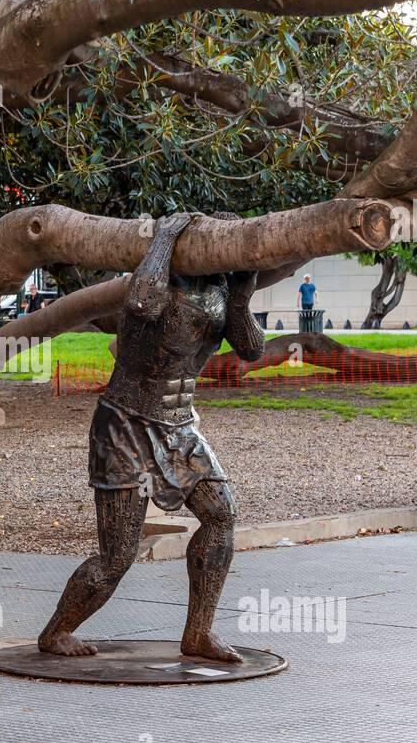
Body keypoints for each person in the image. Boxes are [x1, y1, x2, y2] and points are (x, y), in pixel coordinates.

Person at [37, 213, 265, 661]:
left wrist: (241, 294)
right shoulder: (155, 278)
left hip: (180, 427)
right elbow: (142, 305)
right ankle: (55, 633)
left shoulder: (219, 287)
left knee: (222, 516)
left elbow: (252, 348)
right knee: (117, 557)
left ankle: (198, 633)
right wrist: (164, 238)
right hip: (125, 425)